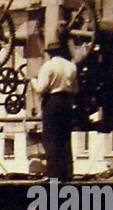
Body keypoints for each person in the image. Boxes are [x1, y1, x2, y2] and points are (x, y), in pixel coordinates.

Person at [30, 43, 79, 181]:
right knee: (65, 138)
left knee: (51, 138)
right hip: (67, 103)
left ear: (50, 53)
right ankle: (67, 173)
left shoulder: (48, 66)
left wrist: (33, 81)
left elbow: (40, 88)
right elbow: (76, 90)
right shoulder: (71, 66)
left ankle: (53, 175)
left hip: (53, 102)